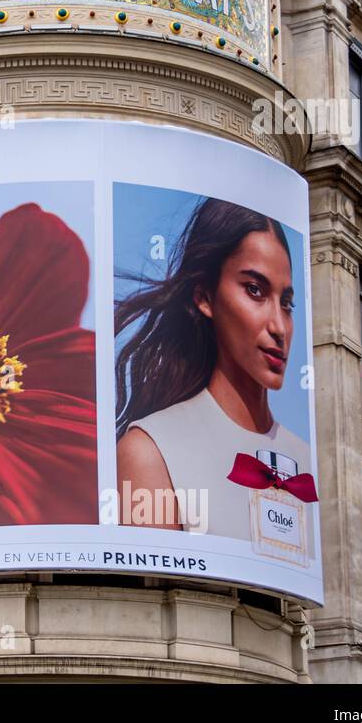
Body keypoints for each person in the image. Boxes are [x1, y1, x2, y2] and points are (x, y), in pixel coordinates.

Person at [115, 197, 312, 542]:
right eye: (254, 290)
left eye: (286, 303)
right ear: (204, 297)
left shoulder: (310, 463)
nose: (279, 326)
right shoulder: (150, 451)